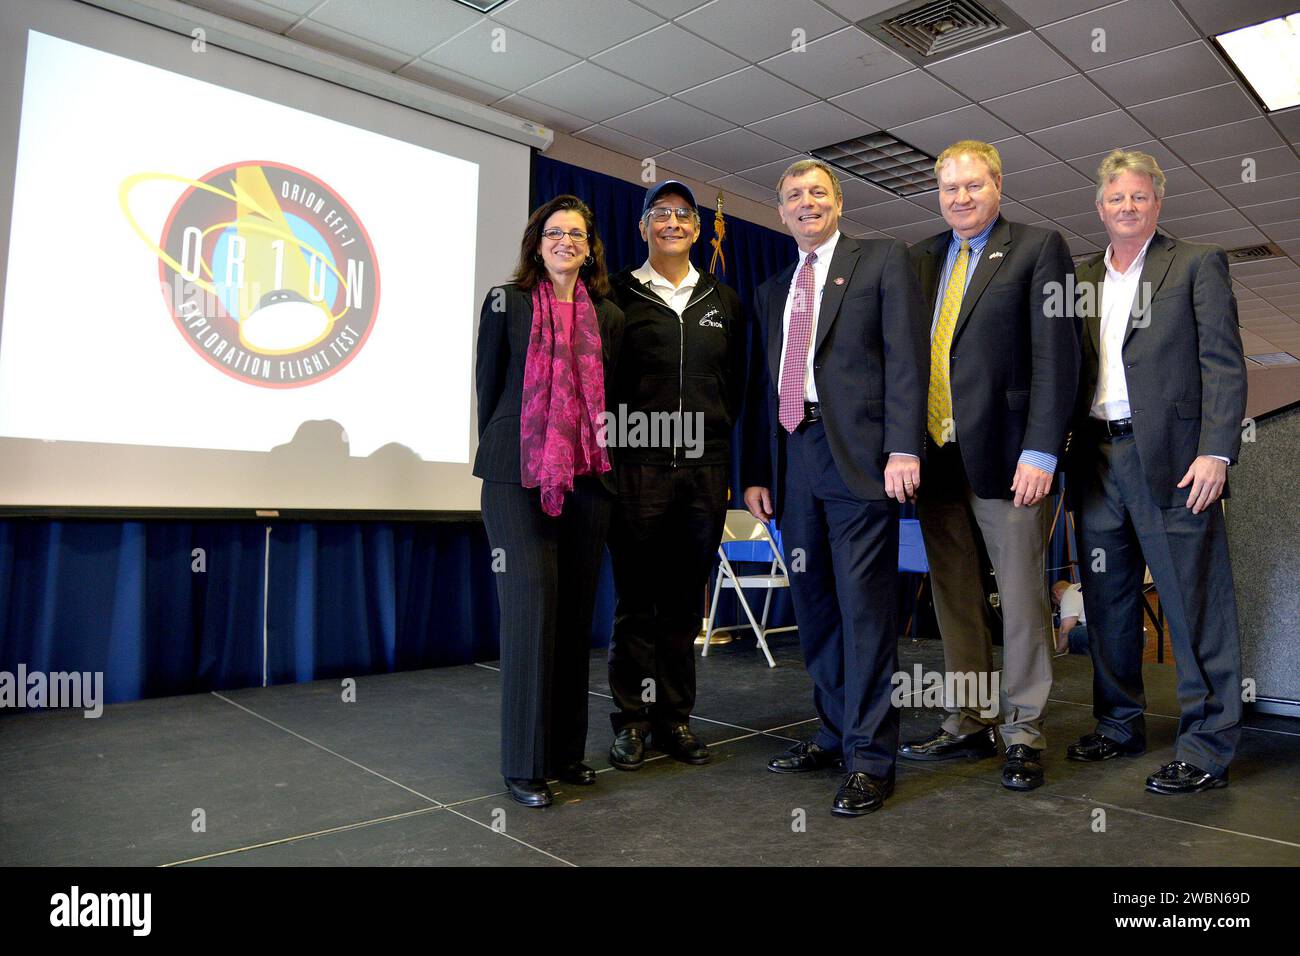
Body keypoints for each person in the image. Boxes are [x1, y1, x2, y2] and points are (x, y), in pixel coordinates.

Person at [743, 158, 927, 817]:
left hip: (861, 462)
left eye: (817, 192)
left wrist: (905, 445)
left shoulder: (882, 261)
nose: (806, 202)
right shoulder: (773, 289)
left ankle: (872, 759)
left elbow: (909, 358)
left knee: (865, 612)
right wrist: (760, 472)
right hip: (796, 460)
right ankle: (833, 733)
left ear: (839, 202)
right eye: (793, 195)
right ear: (782, 211)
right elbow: (763, 390)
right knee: (815, 608)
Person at [1065, 150, 1247, 794]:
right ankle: (1119, 725)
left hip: (1171, 459)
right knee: (1107, 602)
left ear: (1157, 204)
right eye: (1116, 198)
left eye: (1139, 197)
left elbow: (1223, 363)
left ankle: (1207, 744)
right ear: (1100, 206)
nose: (1127, 207)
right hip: (1094, 459)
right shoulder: (1079, 276)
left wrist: (1217, 450)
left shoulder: (1195, 263)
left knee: (1194, 601)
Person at [899, 140, 1079, 792]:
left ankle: (1024, 731)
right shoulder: (919, 258)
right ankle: (968, 720)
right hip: (936, 458)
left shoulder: (1038, 248)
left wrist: (1042, 449)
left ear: (997, 186)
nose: (961, 198)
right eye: (950, 188)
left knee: (1025, 599)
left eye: (973, 186)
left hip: (1010, 458)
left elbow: (1057, 357)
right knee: (954, 598)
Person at [474, 195, 624, 808]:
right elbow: (487, 389)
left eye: (578, 234)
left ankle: (566, 754)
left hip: (588, 479)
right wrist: (520, 448)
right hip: (517, 476)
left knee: (572, 617)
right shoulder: (505, 302)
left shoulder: (609, 316)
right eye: (555, 232)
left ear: (590, 248)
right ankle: (524, 764)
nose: (566, 241)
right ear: (537, 243)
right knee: (532, 612)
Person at [604, 181, 746, 771]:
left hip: (704, 474)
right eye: (660, 213)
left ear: (695, 227)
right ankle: (633, 722)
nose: (672, 222)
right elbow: (603, 389)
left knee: (686, 604)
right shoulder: (615, 297)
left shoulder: (725, 301)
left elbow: (735, 389)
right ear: (642, 228)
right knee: (638, 604)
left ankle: (675, 719)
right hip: (636, 471)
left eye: (683, 214)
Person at [1051, 580, 1088, 655]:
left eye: (1058, 604)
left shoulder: (1069, 593)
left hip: (1102, 634)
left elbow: (1065, 630)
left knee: (1074, 633)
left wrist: (1058, 653)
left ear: (1056, 593)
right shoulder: (1080, 586)